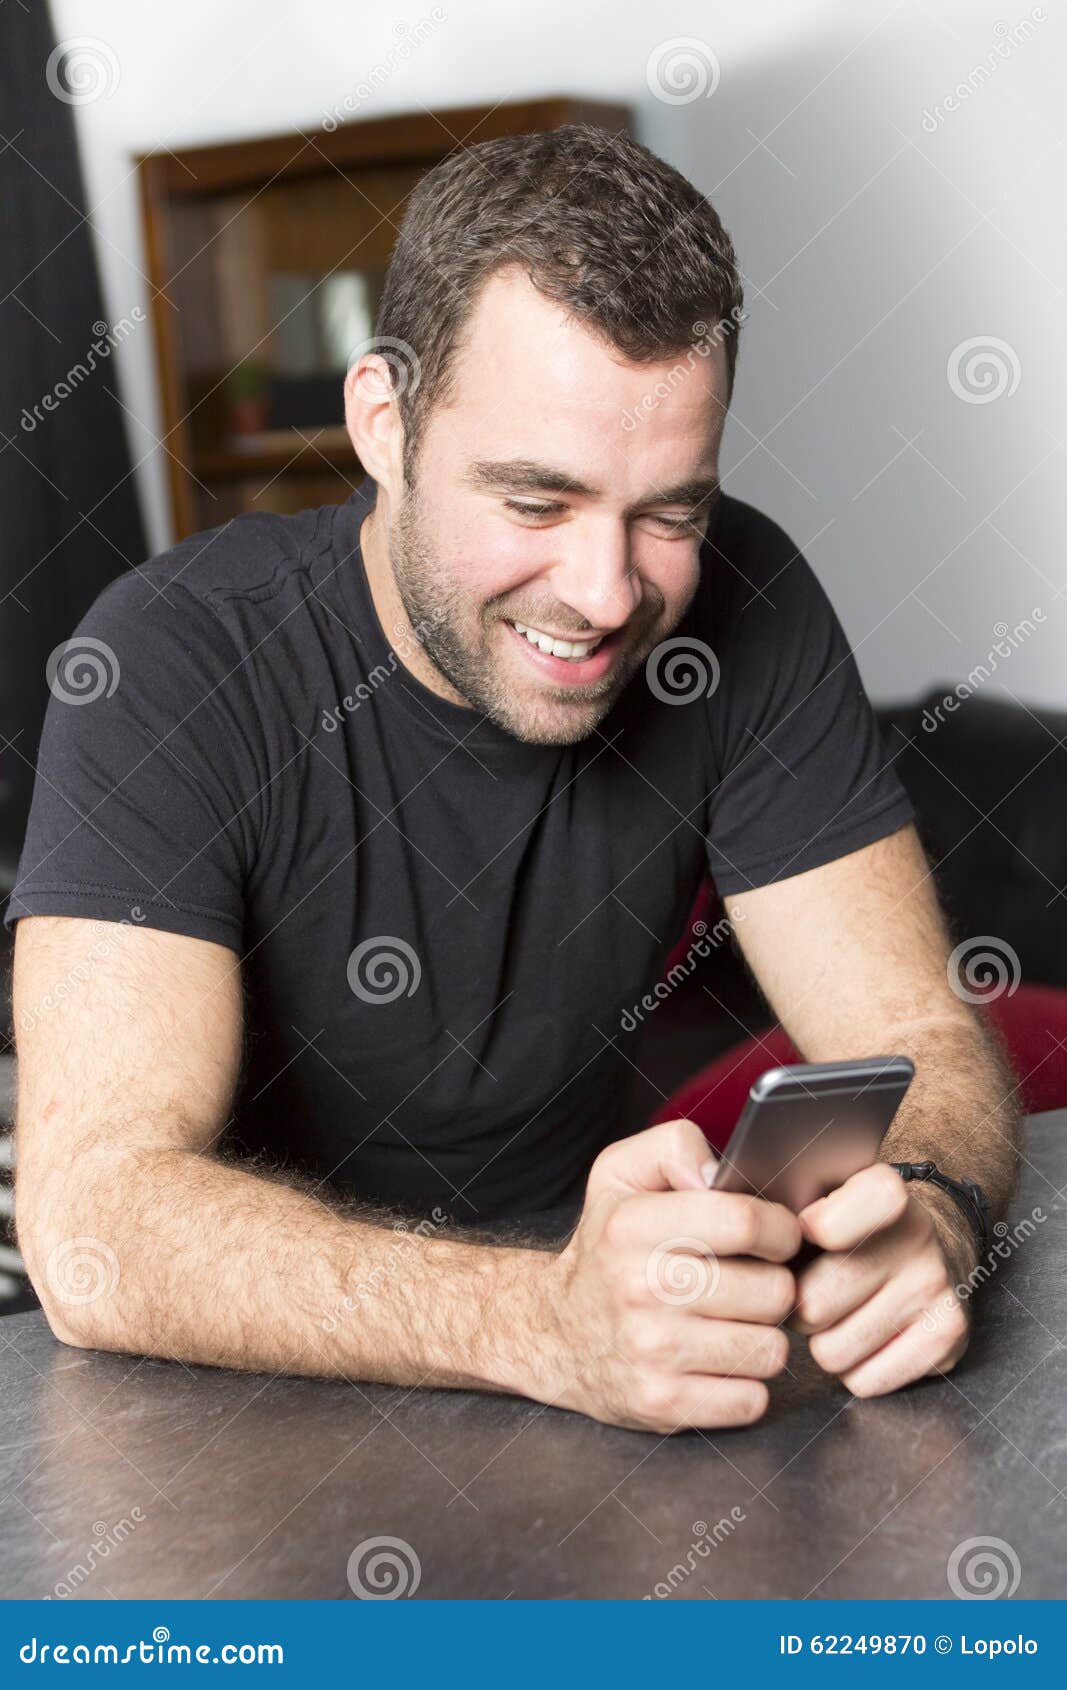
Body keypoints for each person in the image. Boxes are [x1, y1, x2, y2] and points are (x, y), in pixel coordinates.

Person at [10, 124, 1019, 1434]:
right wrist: (538, 1320)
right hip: (230, 1411)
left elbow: (925, 1041)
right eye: (536, 503)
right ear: (383, 422)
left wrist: (928, 1213)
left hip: (595, 1395)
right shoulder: (164, 660)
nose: (606, 595)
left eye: (669, 513)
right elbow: (91, 1224)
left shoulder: (749, 604)